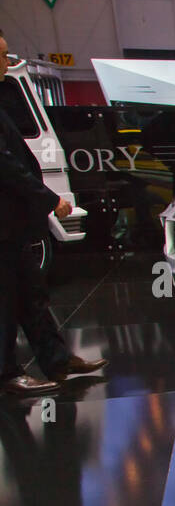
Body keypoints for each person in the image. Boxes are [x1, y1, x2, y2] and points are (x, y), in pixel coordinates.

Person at [0, 30, 105, 396]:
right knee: (6, 301)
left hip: (11, 226)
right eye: (2, 55)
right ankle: (7, 374)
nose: (6, 62)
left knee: (31, 294)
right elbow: (7, 167)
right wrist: (50, 199)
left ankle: (56, 359)